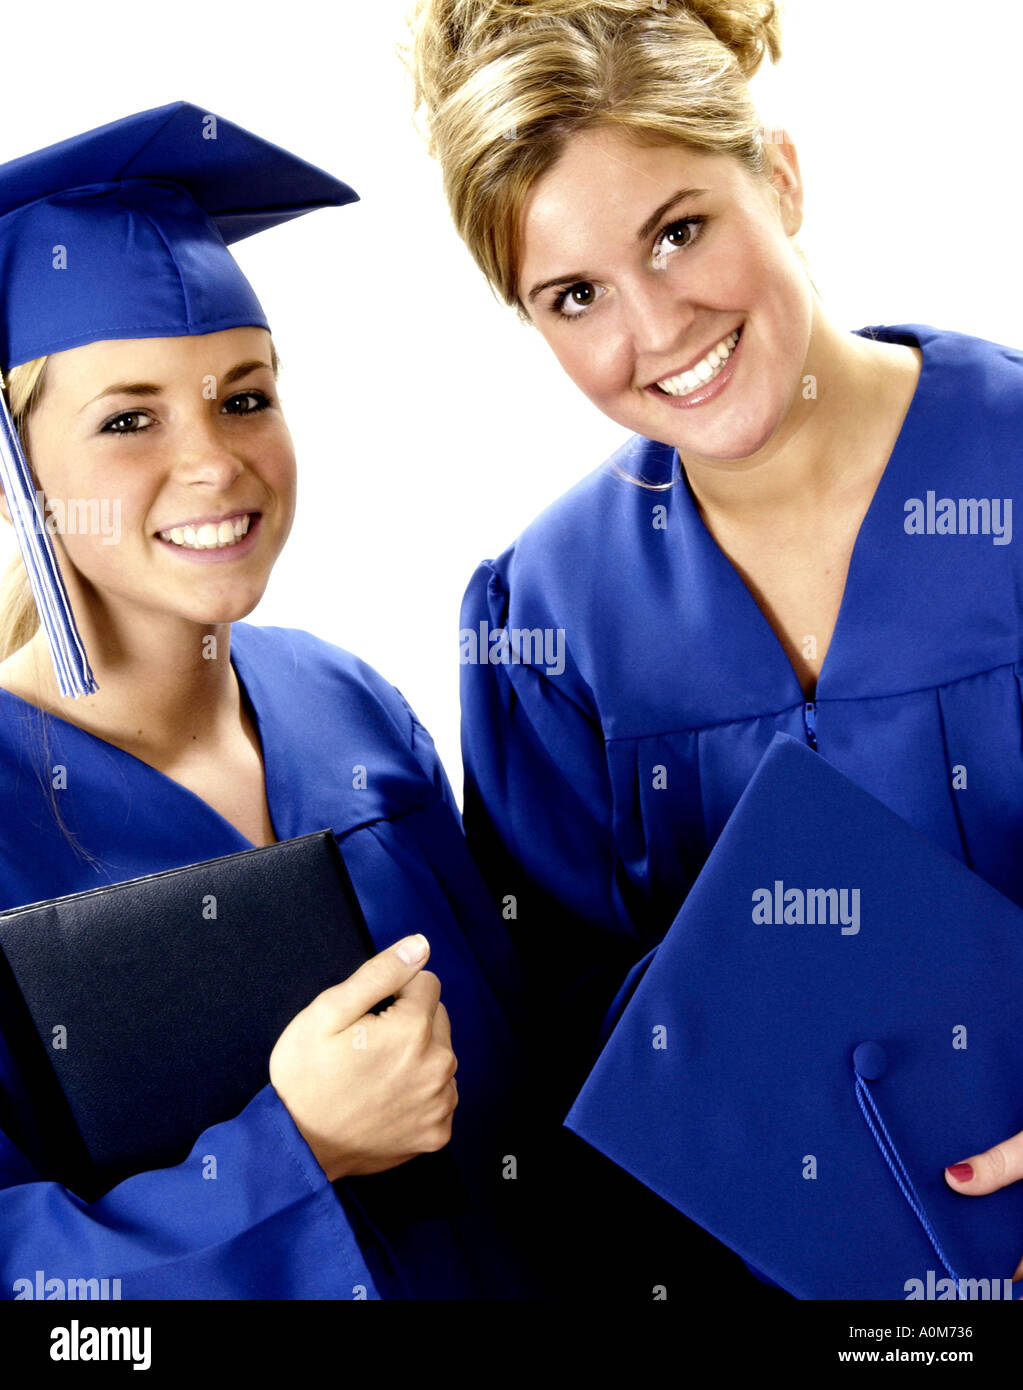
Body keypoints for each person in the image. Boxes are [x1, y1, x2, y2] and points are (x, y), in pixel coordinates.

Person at [406, 0, 1023, 1295]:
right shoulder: (546, 620)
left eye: (677, 230)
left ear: (779, 177)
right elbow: (567, 1048)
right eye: (574, 295)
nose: (655, 328)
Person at [0, 100, 537, 1300]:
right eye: (129, 418)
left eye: (246, 395)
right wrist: (290, 1158)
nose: (214, 462)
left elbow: (527, 1104)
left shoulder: (347, 704)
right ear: (19, 478)